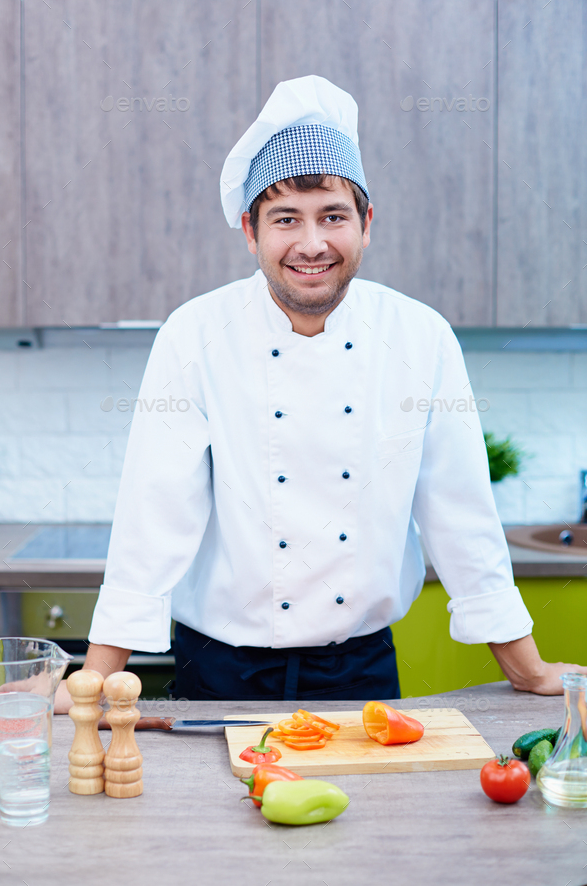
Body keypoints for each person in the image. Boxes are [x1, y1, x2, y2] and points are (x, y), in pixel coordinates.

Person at [56, 75, 586, 711]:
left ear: (366, 223)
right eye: (286, 219)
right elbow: (154, 514)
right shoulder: (194, 334)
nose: (312, 244)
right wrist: (91, 685)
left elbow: (460, 513)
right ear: (250, 231)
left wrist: (527, 670)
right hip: (217, 672)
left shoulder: (420, 337)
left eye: (333, 216)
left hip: (361, 671)